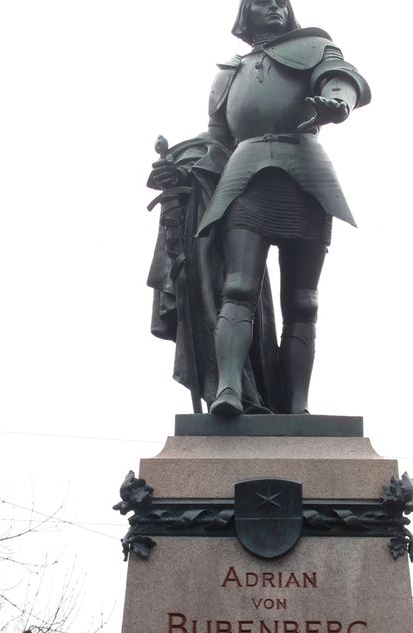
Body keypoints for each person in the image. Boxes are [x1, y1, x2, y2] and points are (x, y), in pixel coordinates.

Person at [148, 0, 370, 416]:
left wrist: (337, 102)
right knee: (238, 287)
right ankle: (229, 389)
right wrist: (181, 167)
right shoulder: (228, 74)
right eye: (262, 3)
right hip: (244, 176)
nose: (273, 8)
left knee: (303, 302)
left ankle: (297, 405)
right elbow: (217, 140)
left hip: (306, 175)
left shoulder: (316, 46)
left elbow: (341, 78)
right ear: (244, 15)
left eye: (280, 3)